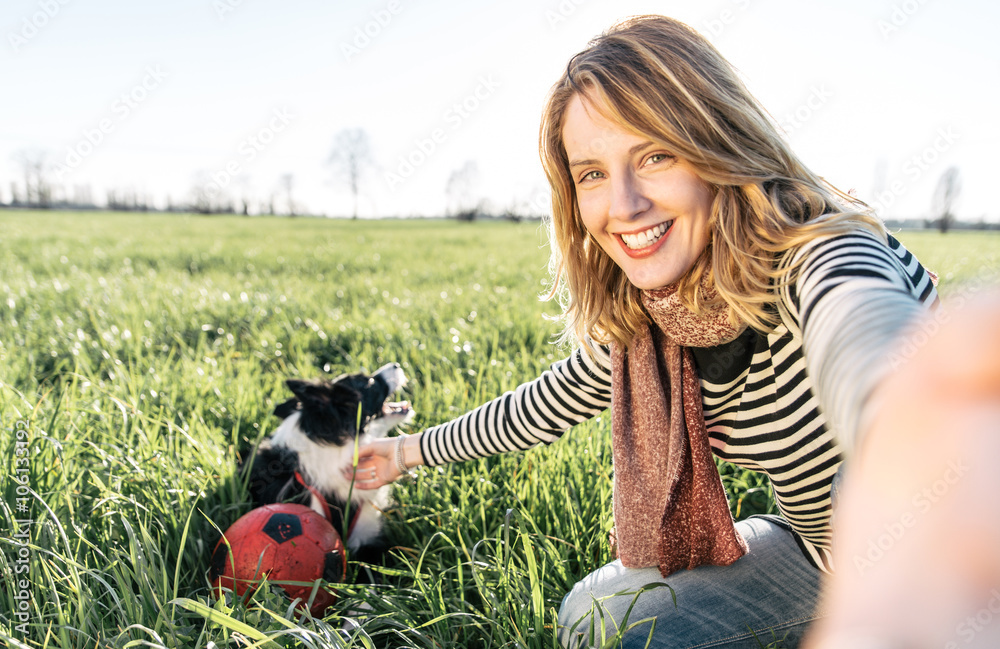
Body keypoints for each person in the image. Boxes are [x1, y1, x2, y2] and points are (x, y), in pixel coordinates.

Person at [343, 15, 995, 648]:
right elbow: (543, 403)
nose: (623, 205)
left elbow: (866, 341)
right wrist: (404, 453)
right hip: (818, 557)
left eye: (654, 154)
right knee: (596, 616)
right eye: (593, 173)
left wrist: (915, 433)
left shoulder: (823, 252)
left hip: (945, 557)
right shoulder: (657, 319)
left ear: (717, 143)